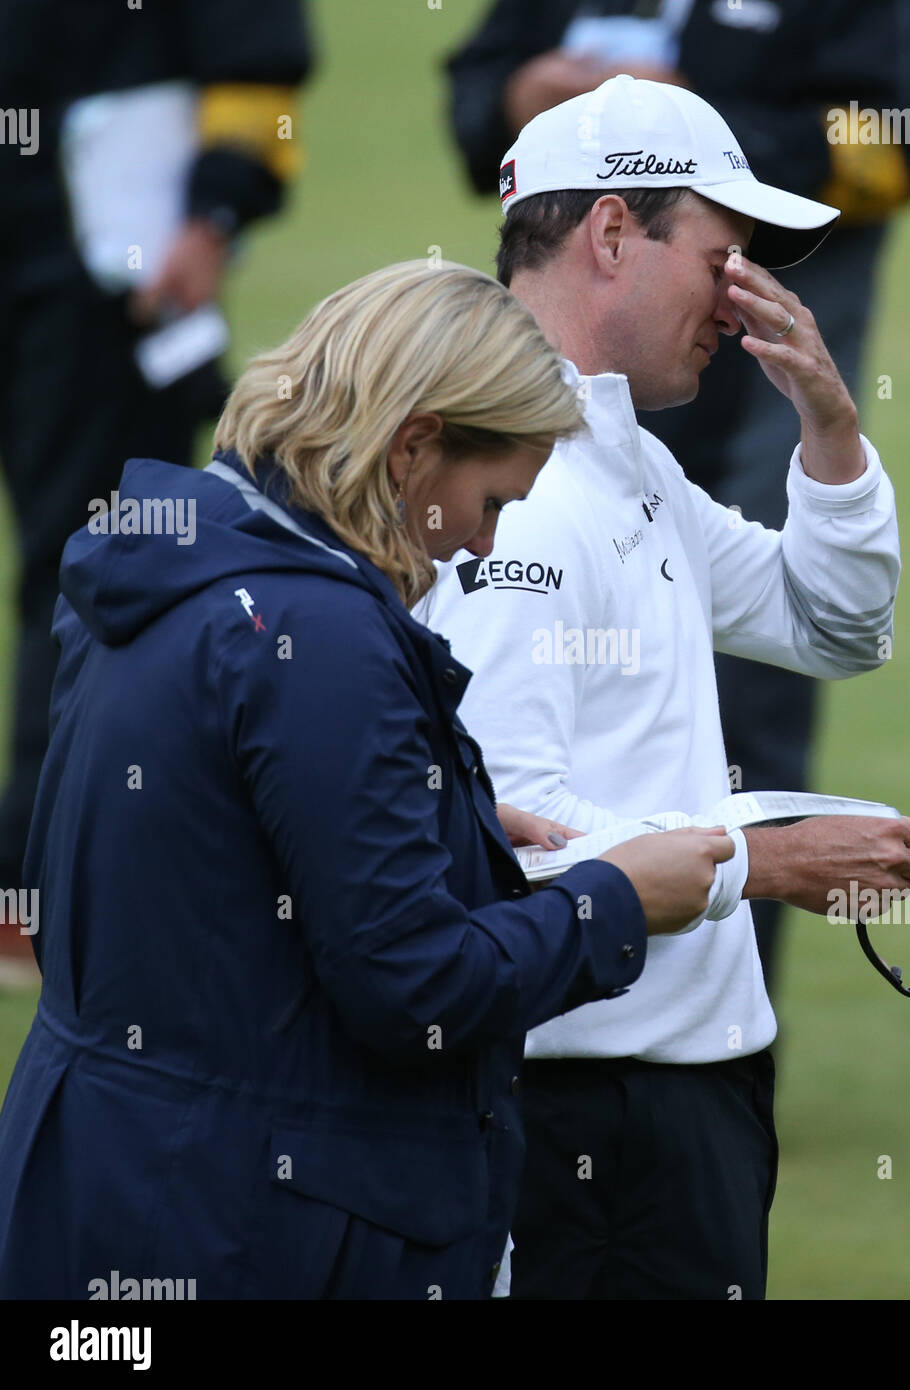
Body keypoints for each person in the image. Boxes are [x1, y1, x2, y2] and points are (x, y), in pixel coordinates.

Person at [0, 261, 734, 1301]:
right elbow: (412, 985)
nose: (482, 544)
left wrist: (459, 832)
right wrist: (610, 899)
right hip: (246, 1229)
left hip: (110, 1183)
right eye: (489, 502)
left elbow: (215, 874)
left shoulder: (174, 569)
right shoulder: (317, 635)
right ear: (413, 445)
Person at [420, 76, 910, 1299]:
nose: (741, 293)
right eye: (723, 253)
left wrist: (827, 420)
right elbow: (500, 842)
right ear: (612, 235)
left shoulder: (619, 458)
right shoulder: (526, 494)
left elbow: (835, 623)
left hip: (680, 1086)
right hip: (587, 1114)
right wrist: (761, 861)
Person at [0, 0, 314, 965]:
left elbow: (259, 61)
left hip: (105, 277)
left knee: (79, 569)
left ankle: (38, 883)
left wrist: (213, 215)